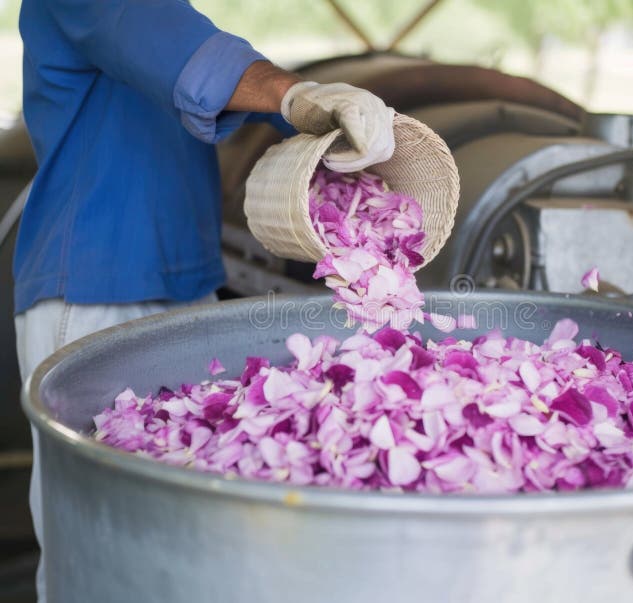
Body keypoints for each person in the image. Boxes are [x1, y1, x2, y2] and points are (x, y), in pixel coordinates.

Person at [14, 1, 396, 600]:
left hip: (181, 284)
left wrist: (317, 120)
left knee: (175, 542)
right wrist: (296, 95)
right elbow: (174, 50)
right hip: (96, 285)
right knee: (100, 546)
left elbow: (207, 77)